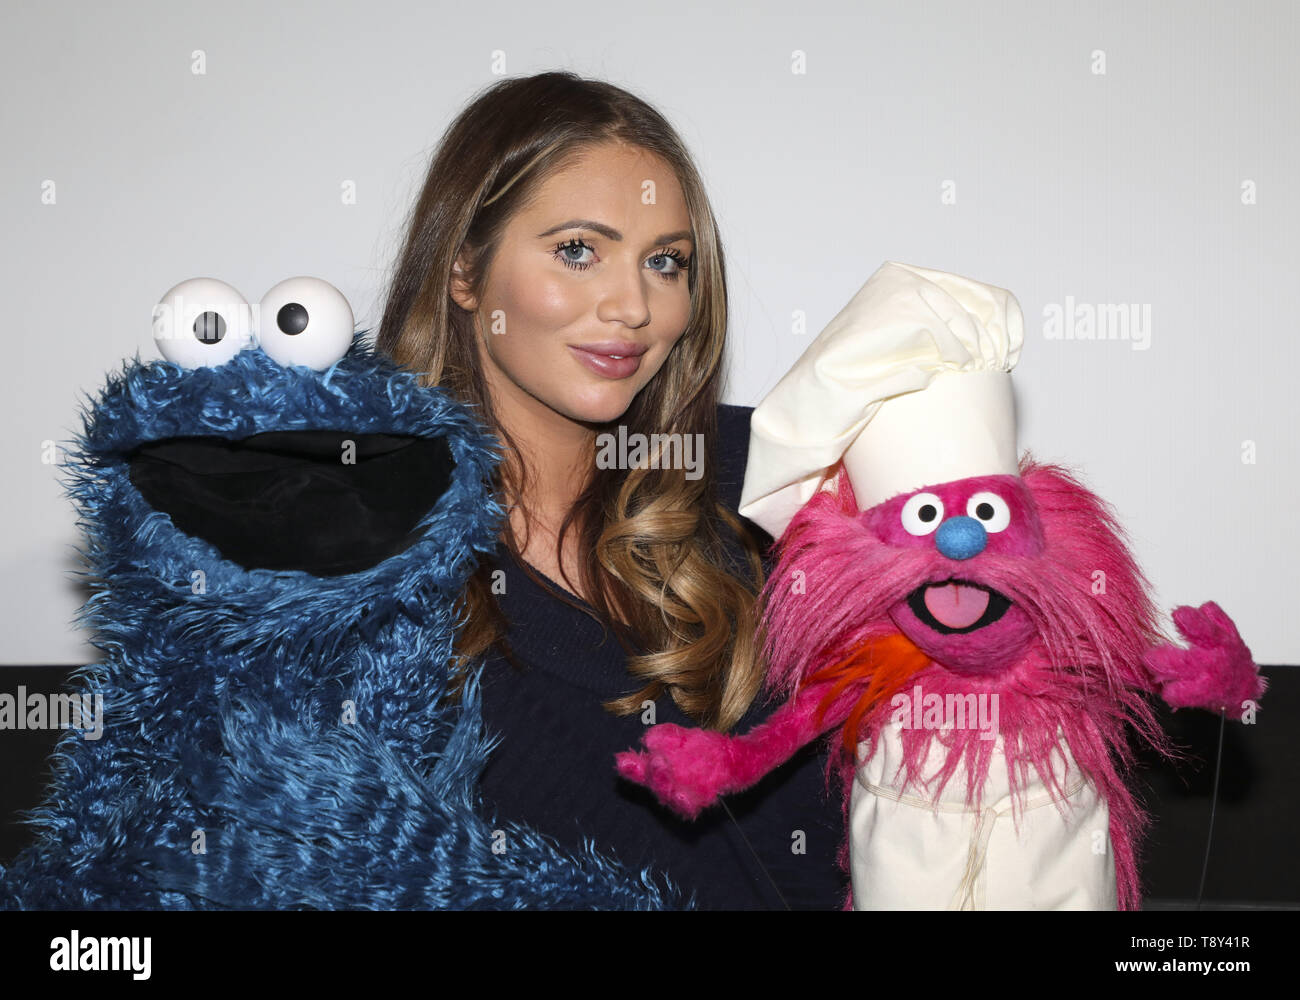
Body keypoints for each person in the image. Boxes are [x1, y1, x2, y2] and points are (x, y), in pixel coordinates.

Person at [376, 70, 845, 909]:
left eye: (666, 263)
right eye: (578, 251)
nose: (633, 305)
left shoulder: (778, 479)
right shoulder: (357, 540)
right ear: (464, 274)